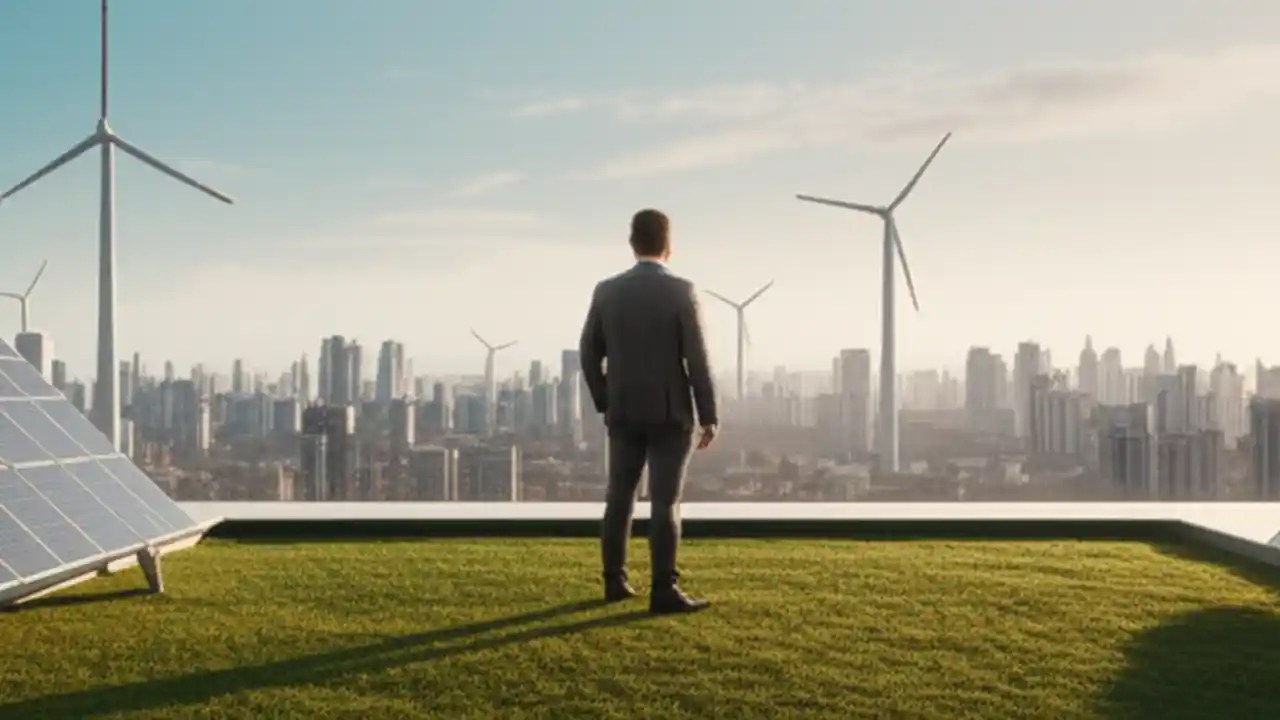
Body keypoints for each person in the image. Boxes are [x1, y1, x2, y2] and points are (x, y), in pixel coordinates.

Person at [579, 208, 718, 615]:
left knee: (618, 496)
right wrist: (709, 412)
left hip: (623, 412)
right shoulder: (681, 291)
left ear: (632, 242)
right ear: (668, 244)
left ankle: (614, 581)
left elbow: (589, 355)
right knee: (665, 501)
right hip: (670, 414)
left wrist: (607, 399)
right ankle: (663, 589)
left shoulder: (606, 291)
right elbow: (698, 359)